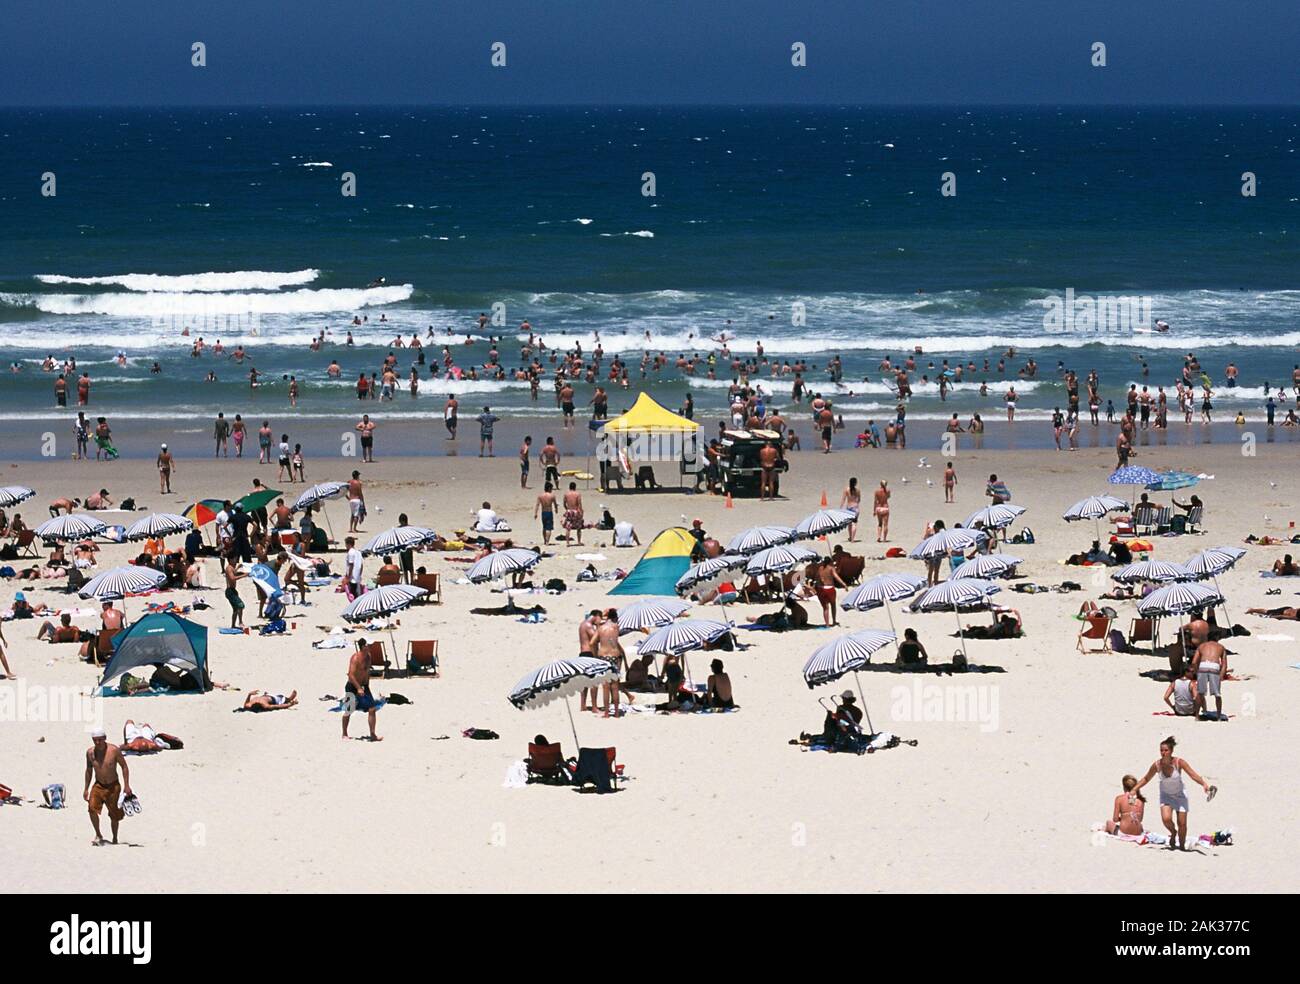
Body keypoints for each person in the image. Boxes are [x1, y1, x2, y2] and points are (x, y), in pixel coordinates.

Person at [1130, 736, 1214, 851]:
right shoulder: (1157, 765)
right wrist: (1135, 789)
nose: (1163, 753)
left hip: (1180, 795)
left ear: (1171, 751)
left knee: (1182, 824)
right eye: (1161, 750)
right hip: (1166, 795)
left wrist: (1204, 784)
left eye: (1166, 750)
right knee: (1166, 819)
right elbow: (1146, 778)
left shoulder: (1179, 762)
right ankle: (1173, 833)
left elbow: (1193, 775)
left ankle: (1182, 846)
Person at [84, 729, 132, 845]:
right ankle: (98, 834)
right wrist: (86, 788)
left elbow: (124, 767)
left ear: (104, 739)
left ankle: (115, 838)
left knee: (114, 815)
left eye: (99, 740)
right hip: (98, 785)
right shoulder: (90, 753)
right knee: (91, 808)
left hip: (113, 786)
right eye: (95, 740)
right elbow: (89, 770)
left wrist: (126, 785)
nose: (97, 743)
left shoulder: (114, 750)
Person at [343, 642, 382, 740]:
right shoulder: (355, 658)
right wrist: (358, 688)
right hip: (352, 686)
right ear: (363, 647)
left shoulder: (368, 657)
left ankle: (373, 734)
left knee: (372, 708)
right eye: (368, 645)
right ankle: (344, 734)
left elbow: (367, 671)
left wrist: (366, 685)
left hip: (364, 686)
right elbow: (351, 675)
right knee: (349, 710)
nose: (370, 646)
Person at [596, 608, 631, 714]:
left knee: (605, 686)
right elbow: (615, 640)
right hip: (614, 657)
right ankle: (616, 713)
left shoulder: (601, 628)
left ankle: (606, 713)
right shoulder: (616, 627)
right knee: (615, 686)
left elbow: (593, 641)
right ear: (615, 618)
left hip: (603, 657)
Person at [1191, 635, 1227, 719]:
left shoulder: (1202, 646)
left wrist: (1197, 672)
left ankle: (1196, 716)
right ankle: (1218, 716)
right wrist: (1221, 676)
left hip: (1203, 665)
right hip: (1214, 666)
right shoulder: (1221, 647)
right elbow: (1224, 664)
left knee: (1200, 693)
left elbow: (1193, 662)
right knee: (1217, 694)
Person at [224, 554, 246, 629]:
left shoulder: (231, 568)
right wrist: (244, 575)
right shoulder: (229, 568)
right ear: (230, 560)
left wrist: (238, 568)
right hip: (230, 591)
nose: (236, 561)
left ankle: (233, 625)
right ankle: (240, 622)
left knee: (235, 609)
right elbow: (232, 578)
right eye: (234, 559)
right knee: (241, 605)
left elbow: (234, 573)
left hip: (233, 590)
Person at [344, 536, 364, 601]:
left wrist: (348, 576)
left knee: (353, 595)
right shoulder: (358, 552)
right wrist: (359, 574)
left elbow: (351, 565)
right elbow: (361, 565)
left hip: (352, 578)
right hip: (358, 576)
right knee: (358, 593)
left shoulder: (350, 552)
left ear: (348, 544)